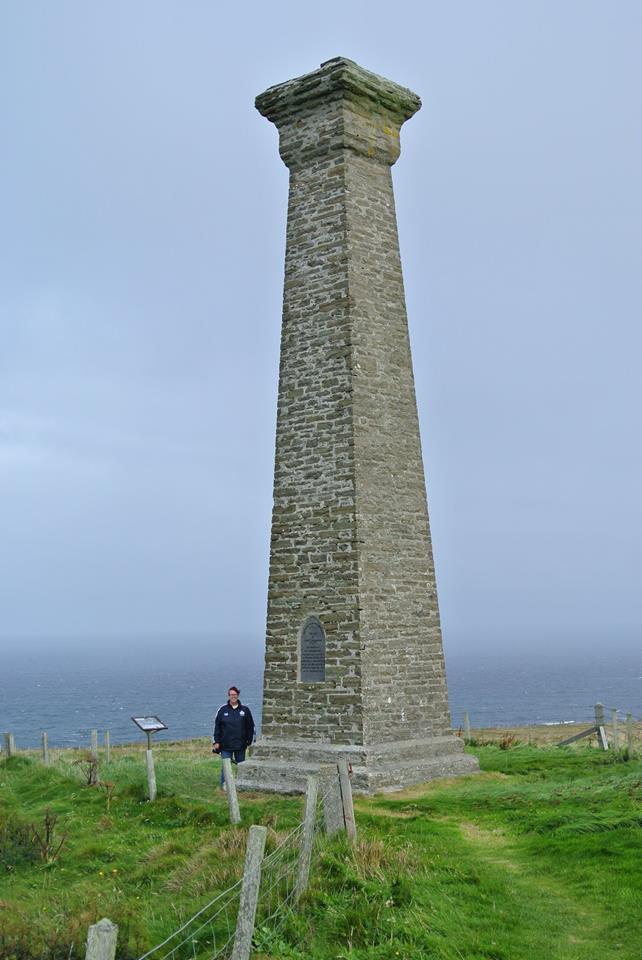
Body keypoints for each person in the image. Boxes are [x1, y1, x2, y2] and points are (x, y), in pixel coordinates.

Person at [212, 685, 255, 789]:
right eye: (231, 695)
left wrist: (249, 741)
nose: (233, 696)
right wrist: (216, 742)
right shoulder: (222, 710)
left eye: (235, 694)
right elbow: (217, 727)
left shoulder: (245, 710)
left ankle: (241, 786)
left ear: (238, 695)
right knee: (226, 768)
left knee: (241, 767)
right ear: (228, 696)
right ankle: (224, 787)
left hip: (240, 745)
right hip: (225, 745)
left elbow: (251, 726)